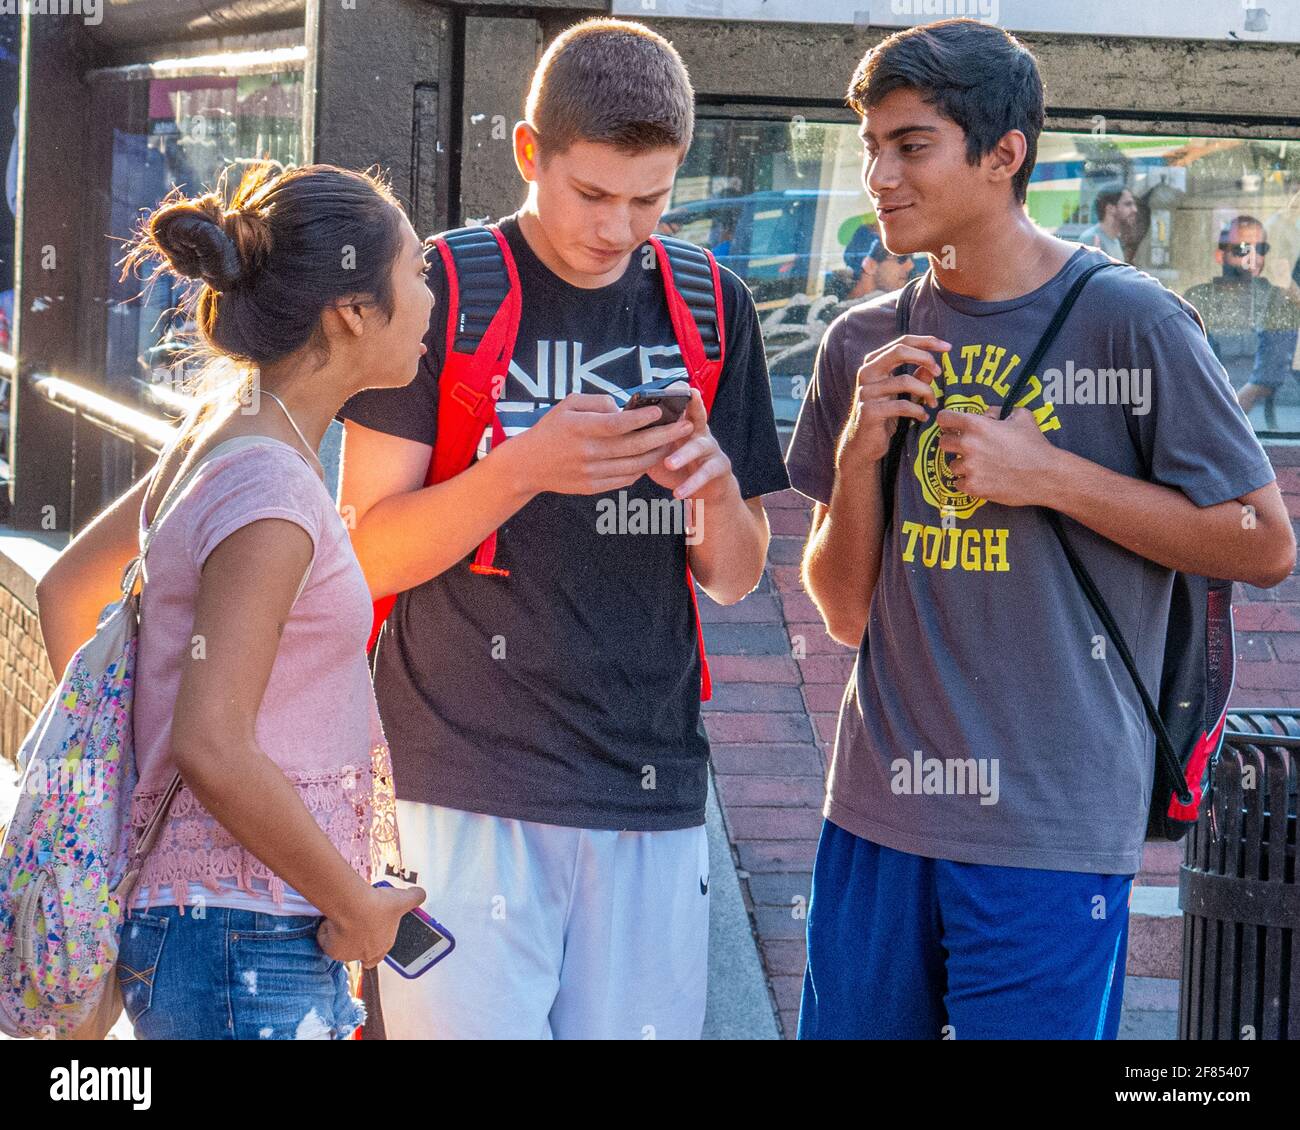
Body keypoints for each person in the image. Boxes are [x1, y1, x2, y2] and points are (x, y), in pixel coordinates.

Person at [786, 18, 1294, 1040]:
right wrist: (854, 457)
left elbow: (1262, 540)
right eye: (870, 144)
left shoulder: (1132, 322)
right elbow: (843, 612)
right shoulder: (863, 341)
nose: (877, 172)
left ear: (1003, 153)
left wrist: (1050, 475)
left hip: (1049, 830)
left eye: (910, 143)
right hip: (874, 815)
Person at [336, 17, 789, 1040]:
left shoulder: (711, 304)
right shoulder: (439, 287)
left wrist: (714, 488)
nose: (618, 226)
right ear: (529, 152)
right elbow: (364, 547)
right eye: (591, 193)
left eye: (651, 198)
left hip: (650, 782)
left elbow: (735, 573)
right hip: (457, 780)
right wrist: (524, 468)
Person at [34, 162, 429, 1039]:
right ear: (354, 310)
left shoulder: (221, 434)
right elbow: (211, 741)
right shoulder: (273, 488)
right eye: (416, 272)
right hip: (250, 941)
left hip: (211, 930)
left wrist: (132, 792)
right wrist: (356, 908)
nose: (433, 296)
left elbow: (67, 592)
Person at [1184, 215, 1300, 422]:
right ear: (1220, 255)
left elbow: (1266, 376)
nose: (1253, 257)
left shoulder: (1276, 300)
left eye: (1261, 249)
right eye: (1243, 249)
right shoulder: (1197, 298)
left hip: (1263, 421)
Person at [1078, 186, 1137, 261]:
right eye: (1128, 204)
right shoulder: (1091, 239)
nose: (1135, 209)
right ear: (1110, 208)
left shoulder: (1115, 239)